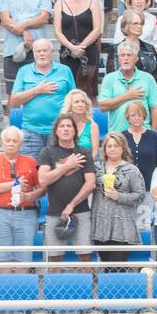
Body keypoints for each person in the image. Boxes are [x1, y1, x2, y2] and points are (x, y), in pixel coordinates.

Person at [37, 111, 96, 261]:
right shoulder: (47, 152)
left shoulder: (83, 153)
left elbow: (91, 183)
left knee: (86, 259)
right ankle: (55, 286)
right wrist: (66, 166)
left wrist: (72, 205)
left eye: (69, 126)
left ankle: (87, 286)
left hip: (81, 212)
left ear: (75, 131)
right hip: (54, 213)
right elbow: (43, 181)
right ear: (56, 131)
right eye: (62, 126)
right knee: (54, 260)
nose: (65, 129)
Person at [0, 123, 43, 266]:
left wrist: (28, 197)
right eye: (7, 140)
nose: (11, 144)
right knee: (2, 259)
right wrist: (13, 185)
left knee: (23, 259)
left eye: (15, 141)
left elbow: (42, 189)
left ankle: (22, 288)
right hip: (0, 213)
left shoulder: (31, 162)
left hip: (25, 213)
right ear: (1, 143)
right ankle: (4, 288)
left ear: (21, 144)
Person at [9, 36, 75, 158]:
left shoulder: (65, 71)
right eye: (38, 51)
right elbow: (14, 101)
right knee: (31, 172)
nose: (42, 54)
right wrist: (36, 90)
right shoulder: (23, 71)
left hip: (59, 131)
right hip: (31, 131)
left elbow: (74, 99)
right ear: (33, 54)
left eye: (45, 50)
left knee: (58, 170)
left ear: (52, 52)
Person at [0, 0, 52, 95]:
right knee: (13, 95)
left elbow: (44, 18)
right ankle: (11, 118)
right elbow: (4, 19)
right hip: (12, 50)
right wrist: (24, 32)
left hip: (38, 51)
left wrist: (23, 26)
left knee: (39, 92)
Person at [89, 131, 145, 261]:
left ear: (123, 148)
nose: (112, 149)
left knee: (117, 268)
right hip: (101, 226)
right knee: (106, 267)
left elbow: (140, 195)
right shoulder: (96, 168)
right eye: (109, 146)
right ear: (104, 149)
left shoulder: (132, 170)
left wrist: (119, 196)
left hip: (122, 226)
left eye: (116, 146)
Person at [52, 0, 103, 96]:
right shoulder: (60, 4)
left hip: (89, 51)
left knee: (89, 90)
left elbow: (97, 29)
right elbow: (58, 32)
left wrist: (81, 47)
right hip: (67, 53)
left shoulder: (94, 2)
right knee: (69, 91)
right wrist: (71, 48)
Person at [98, 39, 157, 131]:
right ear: (119, 59)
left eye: (129, 55)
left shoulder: (148, 78)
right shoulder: (109, 79)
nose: (125, 58)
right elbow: (103, 106)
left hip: (143, 135)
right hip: (117, 136)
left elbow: (155, 108)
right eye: (122, 55)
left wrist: (153, 134)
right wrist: (127, 96)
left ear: (136, 58)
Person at [123, 96, 157, 227]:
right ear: (128, 118)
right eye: (133, 115)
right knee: (128, 224)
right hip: (127, 190)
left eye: (139, 115)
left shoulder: (154, 136)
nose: (136, 118)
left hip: (148, 187)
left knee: (145, 225)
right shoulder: (121, 136)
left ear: (144, 116)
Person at [111, 6, 157, 79]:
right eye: (135, 23)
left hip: (146, 88)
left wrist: (144, 85)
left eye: (141, 24)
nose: (139, 26)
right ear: (126, 25)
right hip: (122, 89)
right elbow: (111, 74)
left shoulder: (150, 48)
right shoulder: (115, 49)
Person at [60, 86, 100, 156]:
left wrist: (88, 165)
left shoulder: (93, 126)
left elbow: (95, 152)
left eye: (83, 102)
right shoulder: (63, 126)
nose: (80, 105)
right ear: (70, 105)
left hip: (88, 164)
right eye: (76, 102)